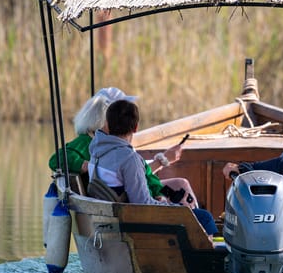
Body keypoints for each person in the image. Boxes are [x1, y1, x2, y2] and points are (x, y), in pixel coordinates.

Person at [88, 99, 217, 235]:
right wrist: (171, 206)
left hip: (112, 218)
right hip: (135, 225)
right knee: (204, 218)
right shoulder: (129, 159)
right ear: (136, 127)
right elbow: (142, 204)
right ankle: (207, 254)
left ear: (107, 124)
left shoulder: (96, 150)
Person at [48, 87, 194, 207]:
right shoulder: (89, 142)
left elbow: (137, 173)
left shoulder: (112, 143)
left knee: (181, 184)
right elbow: (56, 160)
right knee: (190, 200)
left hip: (127, 195)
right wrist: (88, 166)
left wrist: (159, 194)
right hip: (125, 202)